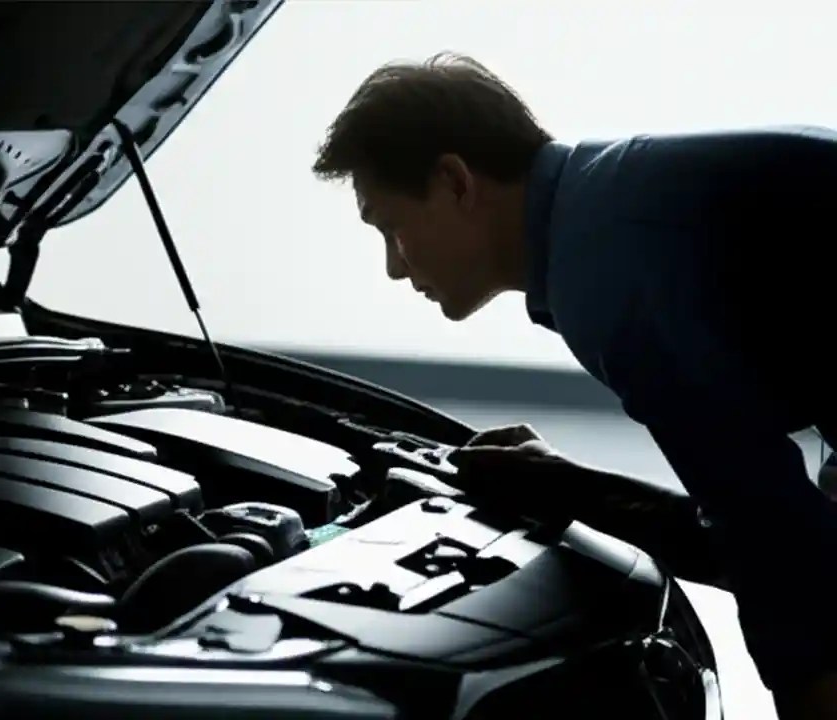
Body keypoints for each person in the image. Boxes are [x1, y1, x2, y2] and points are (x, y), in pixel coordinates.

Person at [311, 51, 837, 719]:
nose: (393, 267)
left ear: (454, 182)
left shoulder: (609, 270)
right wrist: (574, 489)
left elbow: (773, 539)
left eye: (391, 228)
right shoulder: (605, 209)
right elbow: (764, 529)